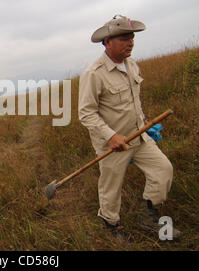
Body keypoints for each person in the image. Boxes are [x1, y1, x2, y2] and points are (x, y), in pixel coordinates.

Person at [78, 15, 181, 239]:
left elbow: (135, 99)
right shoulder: (94, 74)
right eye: (124, 38)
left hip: (139, 136)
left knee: (163, 170)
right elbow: (86, 113)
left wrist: (143, 121)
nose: (131, 43)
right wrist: (111, 136)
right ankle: (110, 225)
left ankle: (148, 216)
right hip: (112, 145)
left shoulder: (132, 64)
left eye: (132, 38)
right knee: (111, 188)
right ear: (107, 42)